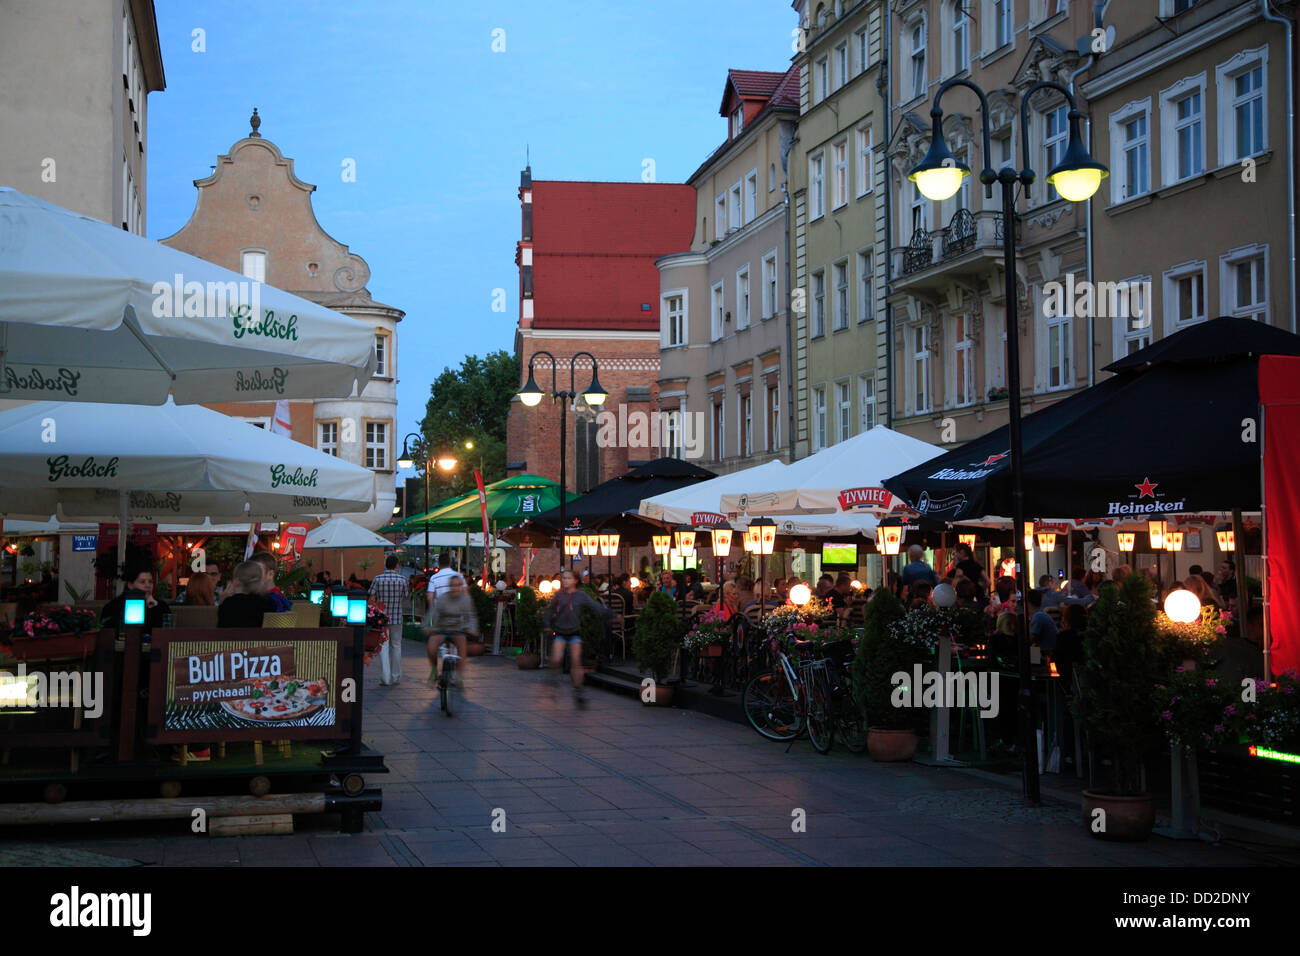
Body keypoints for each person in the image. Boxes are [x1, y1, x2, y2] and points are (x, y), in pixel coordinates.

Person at [543, 569, 612, 709]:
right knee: (555, 660)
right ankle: (555, 681)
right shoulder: (559, 595)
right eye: (563, 578)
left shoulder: (581, 596)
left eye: (568, 578)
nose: (565, 581)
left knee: (576, 662)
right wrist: (546, 623)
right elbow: (550, 609)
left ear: (575, 580)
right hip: (560, 631)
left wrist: (612, 614)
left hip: (574, 632)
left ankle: (578, 690)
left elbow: (596, 607)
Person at [423, 573, 478, 686]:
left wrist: (472, 628)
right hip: (441, 628)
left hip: (458, 629)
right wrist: (427, 626)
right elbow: (432, 613)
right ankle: (434, 670)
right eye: (453, 585)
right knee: (431, 647)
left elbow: (471, 616)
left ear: (461, 586)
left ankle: (459, 674)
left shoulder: (465, 599)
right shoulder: (443, 598)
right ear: (449, 586)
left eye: (458, 585)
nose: (456, 588)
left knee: (462, 647)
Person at [369, 554, 410, 686]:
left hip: (382, 619)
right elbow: (405, 597)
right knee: (396, 646)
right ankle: (396, 676)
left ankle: (385, 678)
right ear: (396, 565)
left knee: (384, 646)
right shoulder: (402, 579)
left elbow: (371, 597)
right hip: (397, 617)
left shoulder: (378, 579)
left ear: (386, 565)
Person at [101, 565, 170, 632]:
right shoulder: (113, 607)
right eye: (142, 582)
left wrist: (153, 608)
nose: (148, 585)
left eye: (150, 582)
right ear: (130, 585)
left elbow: (165, 634)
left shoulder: (161, 606)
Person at [218, 560, 277, 628]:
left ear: (237, 581)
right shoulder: (269, 602)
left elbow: (221, 630)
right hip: (260, 638)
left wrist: (221, 603)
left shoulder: (230, 603)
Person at [1053, 603, 1088, 688]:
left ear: (1067, 619)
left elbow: (1058, 660)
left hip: (1069, 681)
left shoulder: (1064, 637)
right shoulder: (1090, 635)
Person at [1026, 589, 1058, 655]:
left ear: (1027, 602)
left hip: (1046, 655)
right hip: (1044, 653)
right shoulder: (1040, 615)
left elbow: (1029, 640)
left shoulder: (1038, 617)